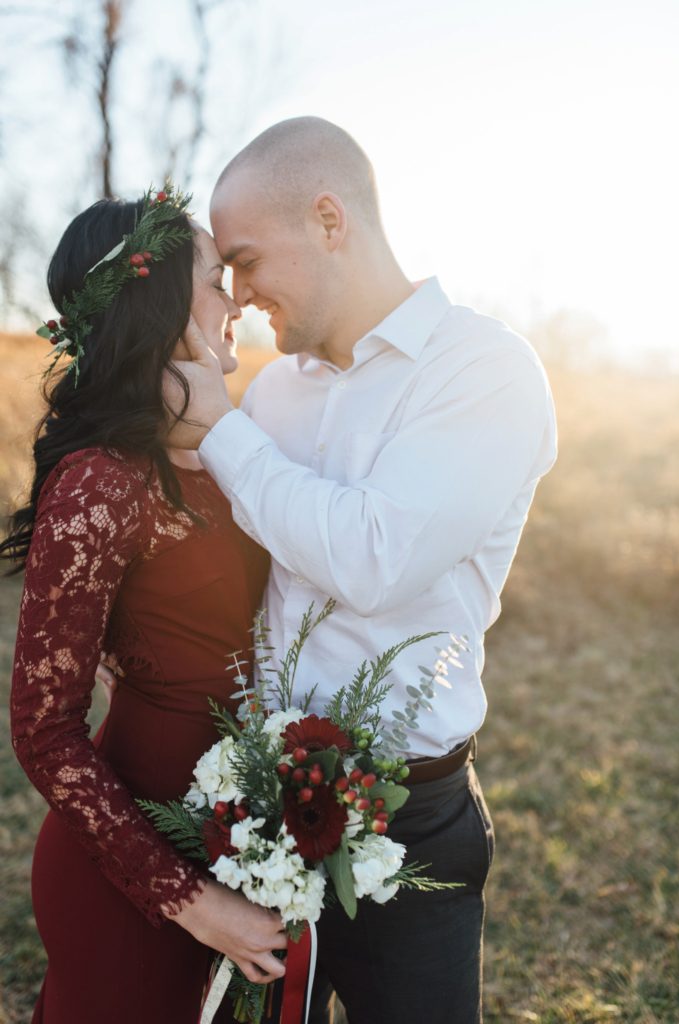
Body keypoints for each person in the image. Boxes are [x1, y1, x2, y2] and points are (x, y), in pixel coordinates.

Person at [164, 117, 558, 1024]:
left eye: (250, 260)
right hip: (260, 800)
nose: (242, 291)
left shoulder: (483, 370)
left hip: (409, 821)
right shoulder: (273, 390)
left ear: (329, 219)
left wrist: (222, 430)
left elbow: (373, 556)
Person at [2, 188, 289, 1024]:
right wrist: (196, 901)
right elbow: (43, 731)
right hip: (131, 878)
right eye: (213, 279)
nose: (234, 300)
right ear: (156, 301)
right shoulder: (101, 479)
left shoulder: (236, 444)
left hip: (239, 838)